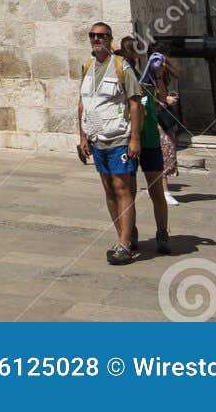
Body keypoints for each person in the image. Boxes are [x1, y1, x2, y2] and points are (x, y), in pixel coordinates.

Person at [77, 21, 142, 265]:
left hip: (119, 137)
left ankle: (125, 244)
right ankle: (122, 236)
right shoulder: (87, 67)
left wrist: (134, 138)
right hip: (96, 137)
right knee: (108, 189)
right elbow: (82, 103)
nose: (97, 39)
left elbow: (135, 103)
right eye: (93, 35)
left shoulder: (121, 67)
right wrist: (82, 136)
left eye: (101, 36)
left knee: (122, 187)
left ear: (109, 38)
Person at [119, 37, 171, 255]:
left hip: (148, 138)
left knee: (155, 189)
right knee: (128, 190)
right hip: (126, 138)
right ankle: (131, 233)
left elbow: (161, 100)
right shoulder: (121, 77)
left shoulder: (147, 77)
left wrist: (158, 74)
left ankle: (162, 233)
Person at [139, 47, 183, 206]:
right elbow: (147, 96)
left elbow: (164, 92)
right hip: (155, 121)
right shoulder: (150, 78)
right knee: (164, 153)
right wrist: (164, 101)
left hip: (163, 120)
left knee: (168, 152)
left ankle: (159, 190)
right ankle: (164, 192)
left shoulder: (160, 77)